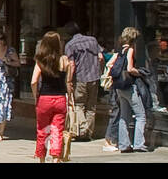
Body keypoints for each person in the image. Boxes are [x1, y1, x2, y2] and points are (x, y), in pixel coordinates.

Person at [32, 30, 74, 162]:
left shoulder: (40, 61)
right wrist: (71, 99)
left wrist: (35, 96)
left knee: (42, 130)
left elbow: (33, 81)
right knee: (57, 130)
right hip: (60, 98)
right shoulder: (64, 60)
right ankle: (56, 157)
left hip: (44, 98)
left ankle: (42, 158)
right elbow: (68, 82)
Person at [109, 26, 149, 154]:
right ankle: (139, 144)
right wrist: (141, 73)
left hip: (119, 86)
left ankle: (124, 144)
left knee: (124, 116)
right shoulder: (130, 50)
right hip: (129, 86)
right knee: (140, 115)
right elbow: (130, 68)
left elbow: (111, 64)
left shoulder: (120, 50)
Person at [64, 23, 103, 141]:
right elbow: (100, 57)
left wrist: (69, 80)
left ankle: (82, 130)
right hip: (94, 76)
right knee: (91, 106)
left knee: (79, 104)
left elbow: (72, 64)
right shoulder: (92, 40)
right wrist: (99, 70)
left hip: (80, 77)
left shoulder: (70, 45)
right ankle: (89, 133)